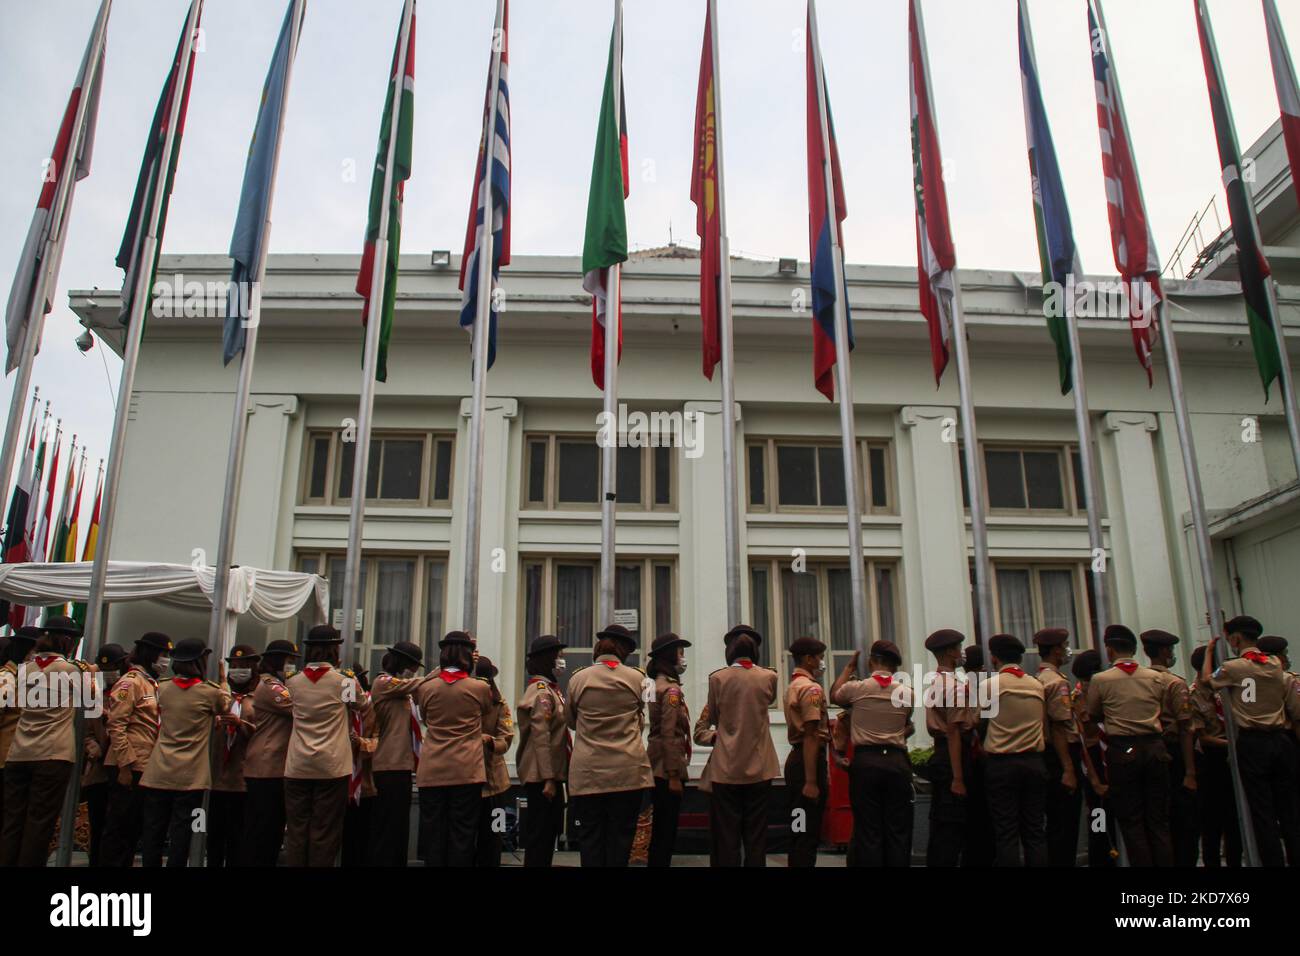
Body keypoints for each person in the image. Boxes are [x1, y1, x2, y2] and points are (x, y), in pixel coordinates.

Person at [1203, 616, 1300, 868]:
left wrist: (1210, 653)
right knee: (1289, 809)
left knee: (1262, 812)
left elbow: (1207, 680)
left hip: (1253, 743)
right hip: (1281, 740)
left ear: (1235, 639)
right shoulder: (1275, 664)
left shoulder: (1233, 667)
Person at [0, 616, 96, 867]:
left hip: (18, 752)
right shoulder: (73, 671)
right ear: (66, 641)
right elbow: (93, 708)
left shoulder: (23, 670)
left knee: (12, 822)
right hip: (53, 754)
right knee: (39, 823)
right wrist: (91, 674)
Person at [137, 638, 231, 867]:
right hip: (190, 776)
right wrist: (223, 680)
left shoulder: (164, 688)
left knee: (153, 831)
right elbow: (225, 705)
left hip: (159, 771)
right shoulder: (210, 692)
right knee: (182, 834)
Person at [567, 623, 653, 867]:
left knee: (590, 838)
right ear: (623, 651)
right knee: (621, 839)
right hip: (628, 770)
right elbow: (647, 712)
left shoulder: (577, 679)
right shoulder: (641, 678)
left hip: (588, 772)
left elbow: (571, 720)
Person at [1086, 624, 1172, 867]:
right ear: (1135, 650)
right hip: (1155, 746)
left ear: (1110, 650)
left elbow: (1093, 714)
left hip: (1123, 750)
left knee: (1132, 821)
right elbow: (1163, 711)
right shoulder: (1156, 677)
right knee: (1158, 820)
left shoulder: (1101, 680)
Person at [284, 625, 363, 867]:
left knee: (297, 829)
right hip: (332, 765)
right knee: (325, 830)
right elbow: (362, 705)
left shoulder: (293, 682)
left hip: (297, 764)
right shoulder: (344, 682)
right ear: (334, 651)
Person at [831, 640, 914, 867]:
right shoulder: (907, 694)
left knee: (869, 831)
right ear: (895, 667)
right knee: (898, 831)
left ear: (870, 662)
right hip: (897, 763)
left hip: (867, 762)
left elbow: (834, 695)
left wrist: (849, 668)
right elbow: (907, 723)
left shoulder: (857, 689)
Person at [414, 630, 493, 867]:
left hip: (432, 769)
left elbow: (426, 719)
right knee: (463, 834)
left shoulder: (425, 689)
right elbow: (487, 713)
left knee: (434, 835)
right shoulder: (479, 688)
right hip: (466, 769)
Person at [705, 624, 780, 866]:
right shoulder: (770, 677)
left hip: (726, 767)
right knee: (756, 835)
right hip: (760, 767)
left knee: (727, 835)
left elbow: (714, 717)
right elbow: (770, 701)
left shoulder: (718, 679)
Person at [100, 632, 169, 867]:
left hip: (144, 764)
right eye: (163, 654)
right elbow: (116, 725)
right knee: (119, 829)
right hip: (127, 765)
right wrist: (125, 766)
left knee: (132, 829)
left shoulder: (151, 683)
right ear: (150, 654)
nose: (166, 660)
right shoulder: (130, 682)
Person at [981, 634, 1049, 867]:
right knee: (1034, 830)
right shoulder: (1036, 685)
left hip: (1002, 765)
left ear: (994, 658)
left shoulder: (989, 686)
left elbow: (973, 722)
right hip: (1034, 762)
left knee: (1006, 831)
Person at [1141, 628, 1198, 867]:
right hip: (1174, 754)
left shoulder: (1139, 680)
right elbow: (1186, 728)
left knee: (1154, 817)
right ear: (1165, 652)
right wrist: (1190, 772)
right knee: (1184, 818)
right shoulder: (1175, 683)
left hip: (1148, 752)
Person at [923, 628, 977, 867]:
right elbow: (954, 731)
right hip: (953, 755)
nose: (961, 653)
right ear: (948, 652)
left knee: (942, 824)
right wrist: (958, 777)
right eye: (957, 649)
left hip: (943, 753)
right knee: (952, 825)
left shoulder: (936, 681)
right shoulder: (952, 686)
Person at [368, 641, 424, 866]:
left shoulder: (403, 691)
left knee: (399, 827)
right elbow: (414, 684)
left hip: (402, 764)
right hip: (388, 764)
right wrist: (439, 674)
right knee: (387, 826)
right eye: (412, 666)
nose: (413, 671)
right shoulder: (383, 683)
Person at [515, 634, 569, 867]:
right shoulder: (542, 693)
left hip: (549, 773)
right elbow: (541, 737)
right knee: (540, 837)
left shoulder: (549, 689)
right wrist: (549, 778)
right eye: (558, 656)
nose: (561, 661)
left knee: (548, 834)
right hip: (542, 776)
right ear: (547, 659)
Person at [1188, 644, 1240, 868]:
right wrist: (1230, 743)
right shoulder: (1192, 695)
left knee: (1234, 821)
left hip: (1232, 760)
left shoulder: (1223, 691)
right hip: (1211, 761)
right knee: (1211, 822)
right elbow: (1202, 737)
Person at [1032, 628, 1081, 866]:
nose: (1067, 650)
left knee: (1053, 822)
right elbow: (1060, 728)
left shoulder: (1037, 680)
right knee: (1065, 822)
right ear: (1056, 650)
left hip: (1046, 756)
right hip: (1062, 755)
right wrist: (1069, 769)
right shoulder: (1057, 683)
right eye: (1065, 645)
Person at [207, 645, 259, 867]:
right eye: (234, 666)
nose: (238, 670)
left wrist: (241, 725)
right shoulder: (220, 695)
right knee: (214, 837)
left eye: (243, 666)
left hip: (242, 779)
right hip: (216, 778)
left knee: (238, 839)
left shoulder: (258, 697)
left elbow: (265, 733)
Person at [645, 632, 691, 867]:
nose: (683, 658)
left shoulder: (653, 684)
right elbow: (670, 733)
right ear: (670, 655)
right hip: (666, 768)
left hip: (655, 763)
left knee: (659, 829)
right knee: (666, 831)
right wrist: (674, 774)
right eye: (680, 652)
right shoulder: (671, 690)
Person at [783, 636, 828, 868]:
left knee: (798, 827)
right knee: (808, 831)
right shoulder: (811, 688)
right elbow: (811, 734)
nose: (822, 662)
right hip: (808, 763)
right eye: (819, 657)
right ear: (809, 659)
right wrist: (811, 782)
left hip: (797, 760)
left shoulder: (793, 685)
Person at [83, 643, 129, 867]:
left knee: (119, 827)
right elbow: (86, 731)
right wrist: (91, 745)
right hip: (99, 771)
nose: (107, 672)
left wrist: (108, 715)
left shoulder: (129, 691)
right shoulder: (95, 696)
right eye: (103, 669)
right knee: (97, 824)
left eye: (111, 667)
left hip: (123, 768)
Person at [1071, 649, 1116, 867]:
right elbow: (1084, 739)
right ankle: (1101, 858)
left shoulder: (1105, 691)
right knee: (1098, 816)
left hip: (1111, 758)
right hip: (1094, 764)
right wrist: (1095, 781)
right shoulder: (1078, 697)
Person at [0, 627, 39, 840]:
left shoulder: (26, 678)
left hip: (18, 756)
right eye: (36, 650)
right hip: (4, 758)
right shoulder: (7, 677)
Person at [475, 655, 514, 866]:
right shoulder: (464, 700)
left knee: (495, 832)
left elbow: (506, 736)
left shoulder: (499, 703)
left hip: (496, 782)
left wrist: (491, 743)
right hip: (469, 779)